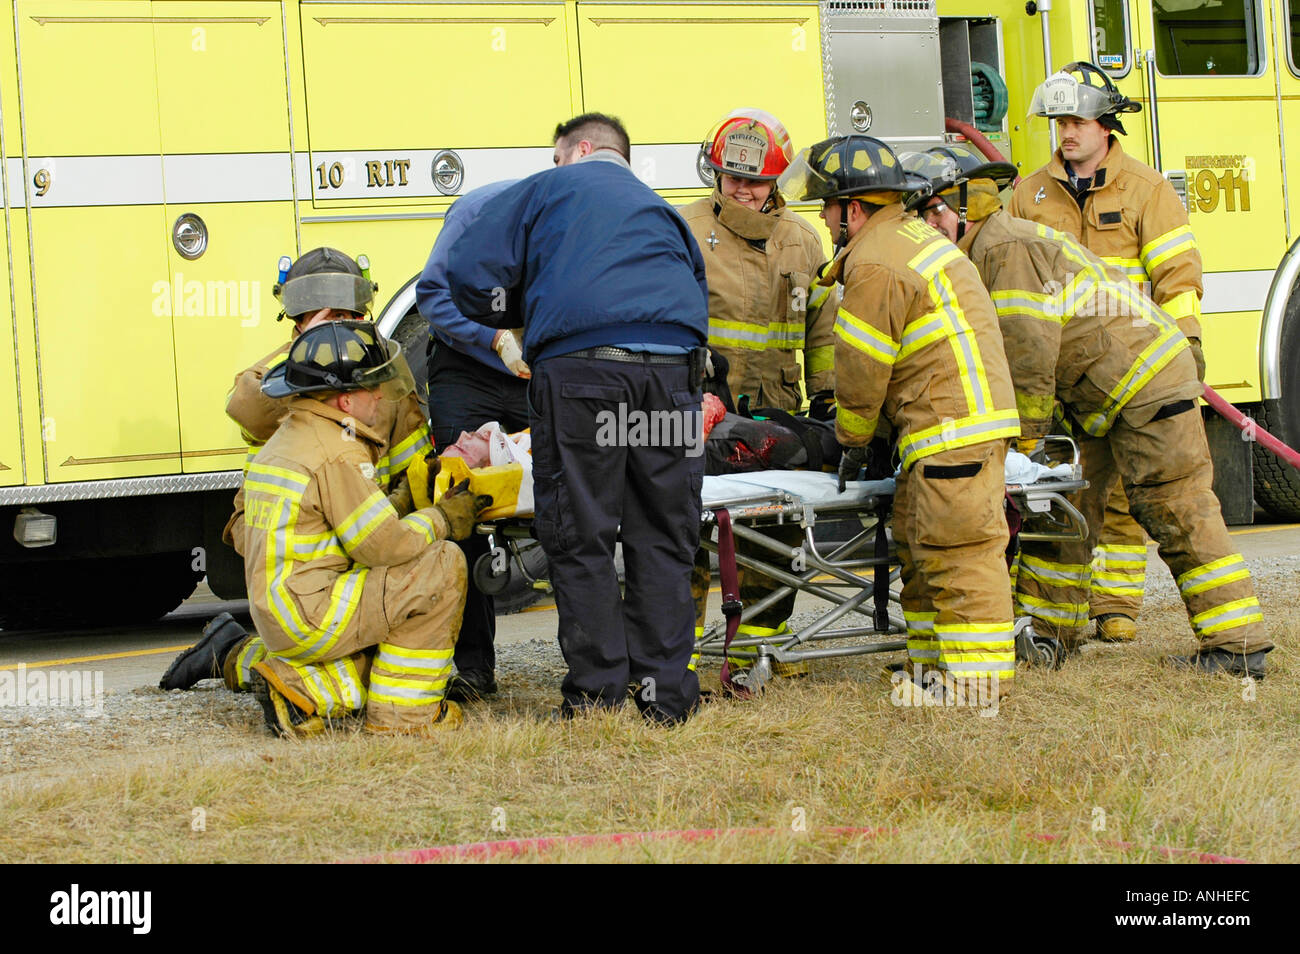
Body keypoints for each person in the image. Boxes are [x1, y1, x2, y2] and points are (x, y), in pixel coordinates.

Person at [903, 145, 1272, 675]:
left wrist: (1021, 444)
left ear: (959, 209)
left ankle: (1238, 645)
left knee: (1173, 505)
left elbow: (1027, 355)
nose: (925, 227)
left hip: (1143, 387)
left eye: (929, 212)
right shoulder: (986, 248)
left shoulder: (1005, 249)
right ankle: (1050, 635)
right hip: (1102, 400)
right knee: (1062, 508)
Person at [445, 112, 709, 723]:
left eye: (557, 156)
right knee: (663, 533)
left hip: (584, 376)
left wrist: (521, 307)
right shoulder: (662, 209)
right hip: (671, 380)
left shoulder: (546, 188)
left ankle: (597, 697)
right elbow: (697, 287)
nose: (555, 166)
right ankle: (664, 698)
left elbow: (467, 264)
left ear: (579, 150)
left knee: (580, 532)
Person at [780, 135, 1021, 699]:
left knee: (958, 554)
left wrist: (851, 441)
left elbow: (861, 373)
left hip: (949, 431)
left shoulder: (875, 263)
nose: (820, 216)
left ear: (852, 209)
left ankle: (977, 685)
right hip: (948, 428)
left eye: (826, 205)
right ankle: (931, 669)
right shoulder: (907, 238)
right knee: (918, 544)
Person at [159, 248, 431, 694]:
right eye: (322, 315)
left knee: (379, 631)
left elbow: (413, 468)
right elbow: (245, 407)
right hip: (293, 544)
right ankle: (258, 665)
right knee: (360, 656)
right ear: (297, 322)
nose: (337, 325)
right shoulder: (279, 378)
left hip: (359, 531)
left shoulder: (386, 383)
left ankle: (233, 653)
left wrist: (410, 513)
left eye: (347, 315)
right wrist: (311, 354)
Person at [1010, 62, 1206, 645]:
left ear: (1105, 125)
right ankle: (1055, 617)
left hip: (1128, 369)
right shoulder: (1030, 194)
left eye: (1077, 121)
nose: (1065, 133)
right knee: (1062, 491)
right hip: (1061, 370)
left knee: (1122, 494)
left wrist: (1187, 344)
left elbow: (1178, 276)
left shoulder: (1147, 190)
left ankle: (1116, 605)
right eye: (1060, 122)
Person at [243, 320, 489, 736]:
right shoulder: (337, 451)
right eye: (370, 387)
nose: (380, 397)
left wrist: (402, 501)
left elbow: (344, 529)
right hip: (313, 613)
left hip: (281, 614)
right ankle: (404, 718)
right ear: (343, 401)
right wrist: (444, 518)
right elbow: (384, 546)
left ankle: (300, 690)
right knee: (440, 566)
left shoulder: (290, 437)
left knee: (393, 627)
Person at [681, 108, 839, 679]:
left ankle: (756, 647)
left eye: (756, 179)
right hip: (701, 414)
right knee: (693, 530)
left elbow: (821, 328)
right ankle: (682, 652)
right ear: (715, 173)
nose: (743, 190)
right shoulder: (688, 229)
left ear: (776, 181)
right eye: (733, 177)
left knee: (776, 526)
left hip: (776, 409)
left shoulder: (802, 240)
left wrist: (826, 398)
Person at [416, 180, 531, 702]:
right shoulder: (473, 218)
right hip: (468, 369)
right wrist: (493, 338)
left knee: (565, 501)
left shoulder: (562, 220)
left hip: (536, 372)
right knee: (463, 508)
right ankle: (473, 668)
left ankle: (589, 666)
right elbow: (431, 297)